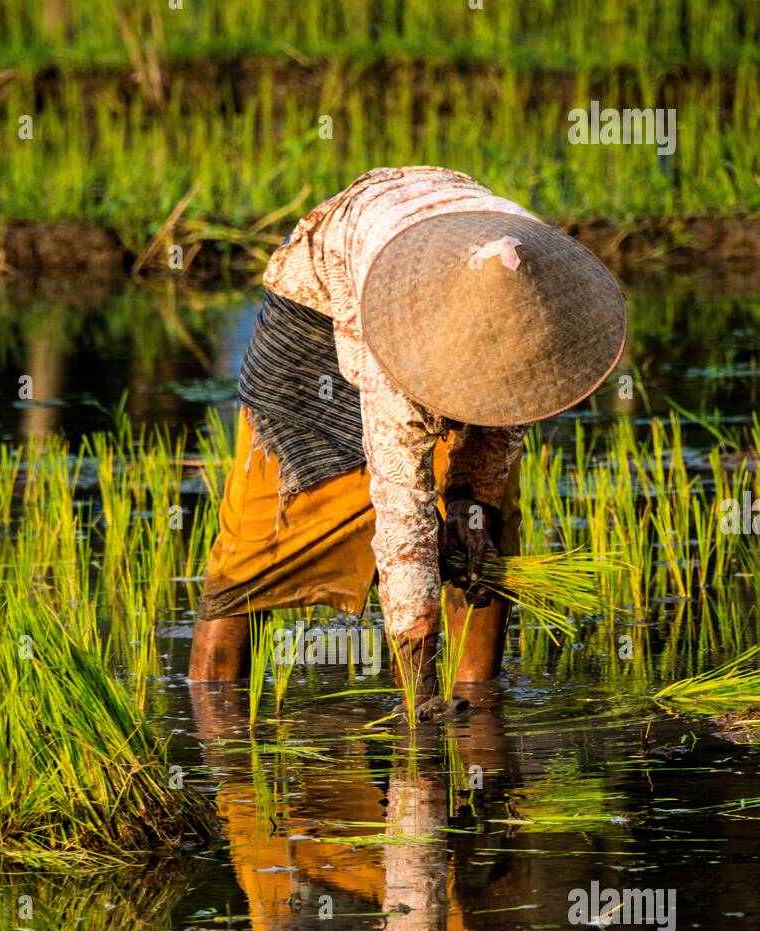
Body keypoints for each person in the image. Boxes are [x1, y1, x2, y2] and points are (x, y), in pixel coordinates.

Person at [189, 166, 626, 711]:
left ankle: (477, 710)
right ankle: (217, 725)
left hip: (437, 254)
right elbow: (403, 508)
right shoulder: (394, 344)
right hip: (330, 299)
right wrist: (417, 681)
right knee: (255, 543)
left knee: (483, 539)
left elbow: (501, 423)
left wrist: (471, 504)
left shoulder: (532, 282)